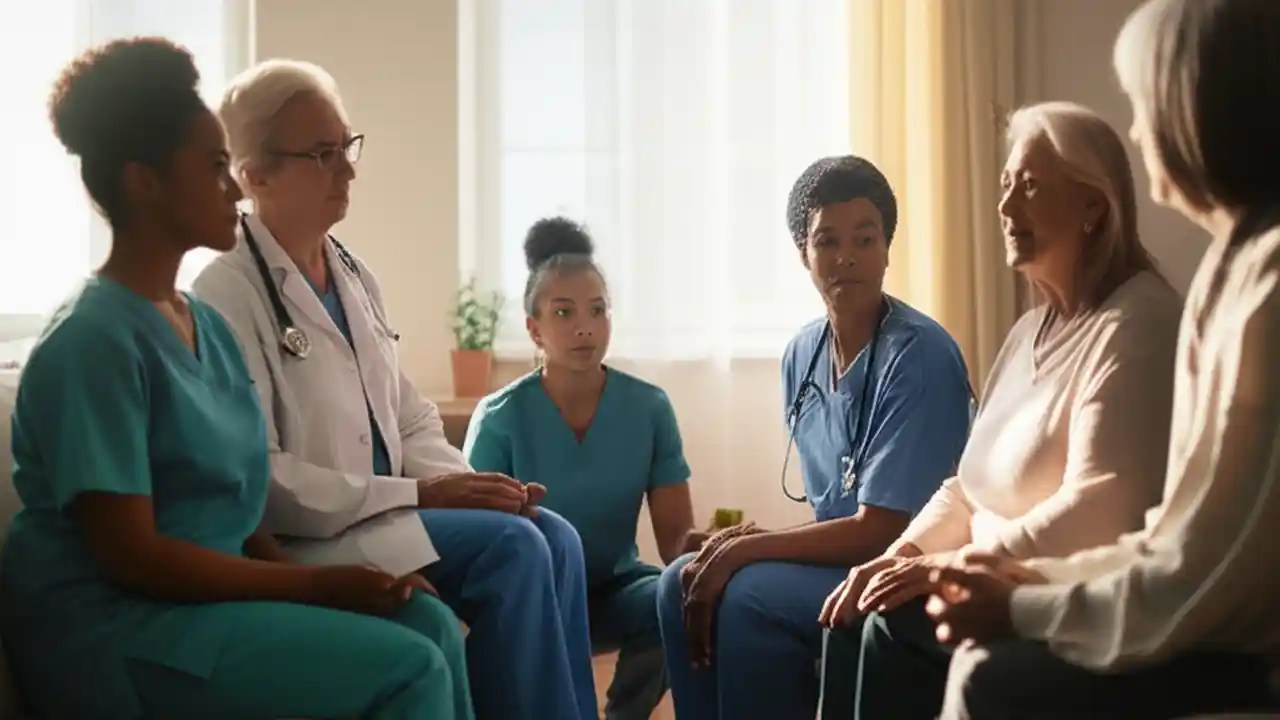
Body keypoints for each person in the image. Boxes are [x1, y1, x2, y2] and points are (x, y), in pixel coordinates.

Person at [0, 38, 470, 720]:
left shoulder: (205, 329)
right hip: (121, 630)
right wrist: (317, 587)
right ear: (144, 181)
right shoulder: (92, 343)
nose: (234, 187)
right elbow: (134, 558)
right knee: (407, 666)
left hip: (206, 605)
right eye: (216, 166)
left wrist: (330, 582)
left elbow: (241, 516)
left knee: (426, 626)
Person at [192, 60, 596, 720]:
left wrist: (480, 491)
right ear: (253, 174)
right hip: (314, 539)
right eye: (322, 154)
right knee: (514, 550)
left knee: (551, 535)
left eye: (346, 147)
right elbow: (263, 480)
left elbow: (406, 417)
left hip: (389, 517)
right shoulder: (225, 295)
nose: (347, 170)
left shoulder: (352, 274)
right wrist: (423, 493)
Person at [925, 1, 1280, 717]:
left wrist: (1024, 602)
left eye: (1145, 106)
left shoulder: (1259, 286)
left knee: (987, 673)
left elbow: (1203, 575)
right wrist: (1015, 581)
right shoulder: (1227, 270)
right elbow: (1174, 541)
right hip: (1196, 618)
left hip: (1253, 656)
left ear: (1201, 110)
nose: (1140, 132)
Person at [815, 101, 1183, 720]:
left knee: (891, 625)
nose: (1007, 207)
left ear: (1094, 205)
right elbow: (967, 488)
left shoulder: (1138, 321)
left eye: (1031, 187)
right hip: (982, 577)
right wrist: (901, 556)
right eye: (1006, 185)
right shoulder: (1029, 331)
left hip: (1061, 598)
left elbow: (1102, 507)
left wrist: (948, 570)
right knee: (852, 609)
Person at [654, 155, 974, 720]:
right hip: (845, 557)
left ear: (887, 250)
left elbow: (884, 528)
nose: (846, 257)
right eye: (827, 241)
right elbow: (837, 514)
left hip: (901, 566)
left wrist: (748, 548)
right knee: (679, 580)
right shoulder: (802, 355)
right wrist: (737, 546)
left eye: (865, 239)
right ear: (803, 252)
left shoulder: (920, 355)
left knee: (749, 597)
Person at [464, 217, 702, 720]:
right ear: (534, 328)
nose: (584, 327)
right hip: (536, 598)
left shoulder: (649, 408)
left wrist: (716, 551)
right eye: (564, 312)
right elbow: (479, 546)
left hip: (617, 591)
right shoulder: (500, 418)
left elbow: (677, 541)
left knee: (679, 588)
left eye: (598, 311)